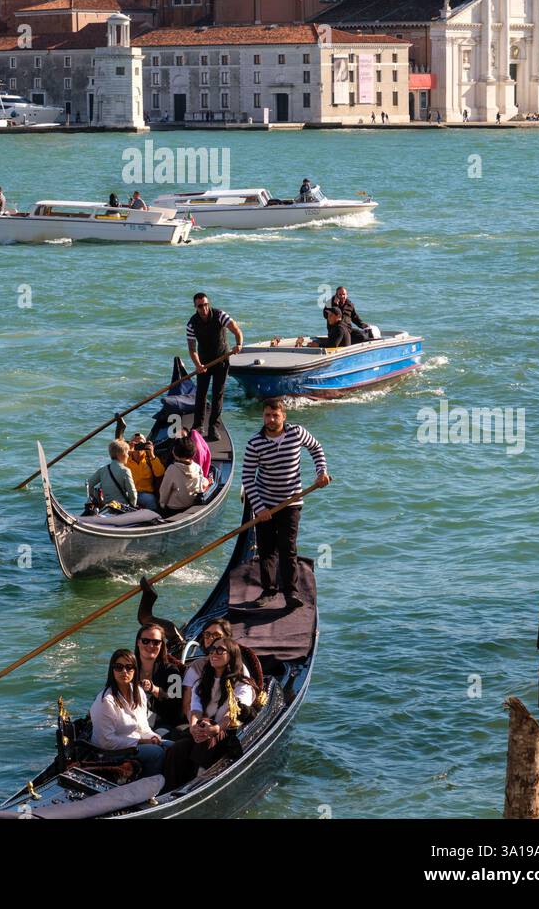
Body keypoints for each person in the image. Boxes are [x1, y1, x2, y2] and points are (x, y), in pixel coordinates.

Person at [242, 398, 330, 611]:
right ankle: (269, 591)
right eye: (267, 415)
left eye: (275, 415)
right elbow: (247, 478)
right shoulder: (255, 443)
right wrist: (260, 508)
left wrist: (322, 472)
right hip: (265, 503)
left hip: (291, 501)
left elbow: (316, 449)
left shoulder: (297, 433)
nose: (270, 420)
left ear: (284, 416)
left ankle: (291, 592)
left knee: (288, 547)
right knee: (266, 549)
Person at [164, 637, 257, 785]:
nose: (214, 653)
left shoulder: (242, 684)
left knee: (205, 737)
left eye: (220, 650)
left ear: (231, 655)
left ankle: (197, 781)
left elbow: (233, 712)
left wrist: (217, 728)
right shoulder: (202, 682)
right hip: (203, 729)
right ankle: (169, 787)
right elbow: (195, 709)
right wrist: (194, 725)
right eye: (212, 649)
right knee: (178, 749)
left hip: (228, 732)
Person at [89, 650, 171, 776]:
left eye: (129, 667)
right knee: (157, 753)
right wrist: (141, 741)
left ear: (135, 669)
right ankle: (150, 787)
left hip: (134, 744)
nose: (124, 672)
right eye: (118, 667)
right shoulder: (105, 701)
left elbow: (143, 727)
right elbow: (105, 742)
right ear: (112, 670)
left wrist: (155, 739)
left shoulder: (138, 692)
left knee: (172, 747)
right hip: (109, 753)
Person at [186, 292, 243, 442]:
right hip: (204, 362)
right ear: (195, 307)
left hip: (221, 360)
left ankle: (214, 427)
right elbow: (192, 349)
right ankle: (197, 427)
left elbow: (236, 330)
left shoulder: (220, 315)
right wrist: (198, 365)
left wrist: (238, 344)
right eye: (200, 306)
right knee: (201, 395)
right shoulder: (191, 324)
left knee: (218, 393)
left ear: (208, 304)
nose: (204, 308)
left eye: (205, 305)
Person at [134, 624, 185, 731]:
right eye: (145, 641)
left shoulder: (172, 671)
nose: (151, 645)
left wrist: (154, 689)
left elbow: (176, 704)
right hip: (130, 717)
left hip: (162, 722)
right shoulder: (128, 668)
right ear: (138, 642)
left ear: (161, 645)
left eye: (156, 642)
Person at [86, 440, 137, 509]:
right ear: (121, 454)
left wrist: (95, 500)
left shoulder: (103, 470)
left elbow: (89, 483)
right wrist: (132, 507)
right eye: (127, 453)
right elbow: (133, 494)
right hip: (121, 507)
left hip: (107, 507)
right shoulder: (125, 471)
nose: (128, 456)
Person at [159, 439, 205, 513]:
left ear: (175, 454)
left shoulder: (172, 469)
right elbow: (200, 486)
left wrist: (162, 505)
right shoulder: (197, 467)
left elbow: (164, 490)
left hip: (174, 508)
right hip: (191, 504)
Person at [126, 433, 165, 510]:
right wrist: (127, 450)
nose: (138, 446)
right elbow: (116, 467)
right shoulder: (126, 459)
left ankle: (151, 519)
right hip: (128, 492)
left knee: (150, 500)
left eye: (141, 443)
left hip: (144, 493)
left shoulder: (149, 459)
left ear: (145, 444)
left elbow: (160, 473)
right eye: (135, 443)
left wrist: (152, 455)